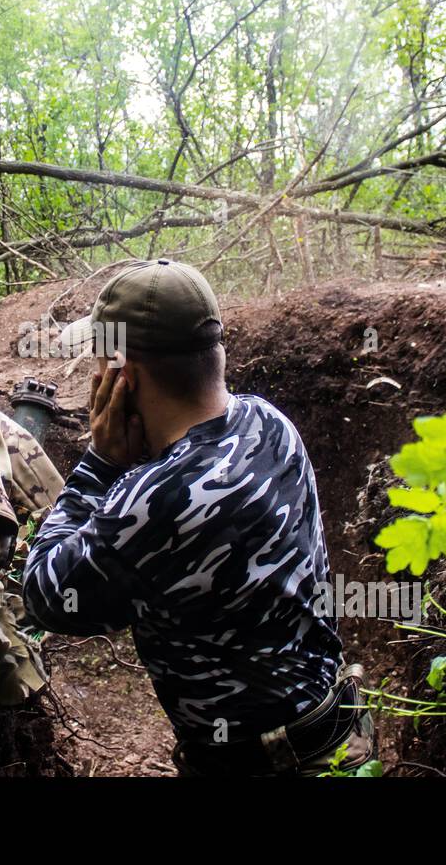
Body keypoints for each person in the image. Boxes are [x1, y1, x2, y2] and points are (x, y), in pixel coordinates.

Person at [21, 259, 375, 776]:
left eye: (98, 367)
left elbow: (45, 596)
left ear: (122, 377)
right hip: (339, 740)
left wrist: (100, 464)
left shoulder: (150, 502)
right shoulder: (272, 424)